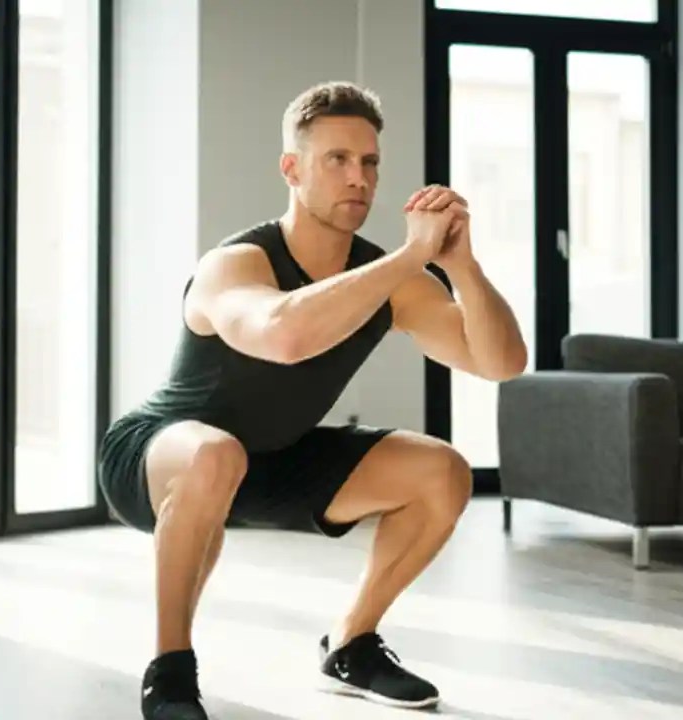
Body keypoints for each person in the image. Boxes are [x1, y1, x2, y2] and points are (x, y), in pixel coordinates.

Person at [98, 80, 527, 720]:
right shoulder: (237, 263)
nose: (359, 177)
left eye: (370, 162)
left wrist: (459, 266)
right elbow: (287, 335)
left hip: (273, 458)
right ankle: (170, 672)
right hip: (164, 453)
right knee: (215, 453)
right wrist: (412, 256)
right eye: (337, 160)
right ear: (292, 170)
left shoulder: (392, 277)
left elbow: (501, 363)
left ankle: (351, 644)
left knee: (443, 471)